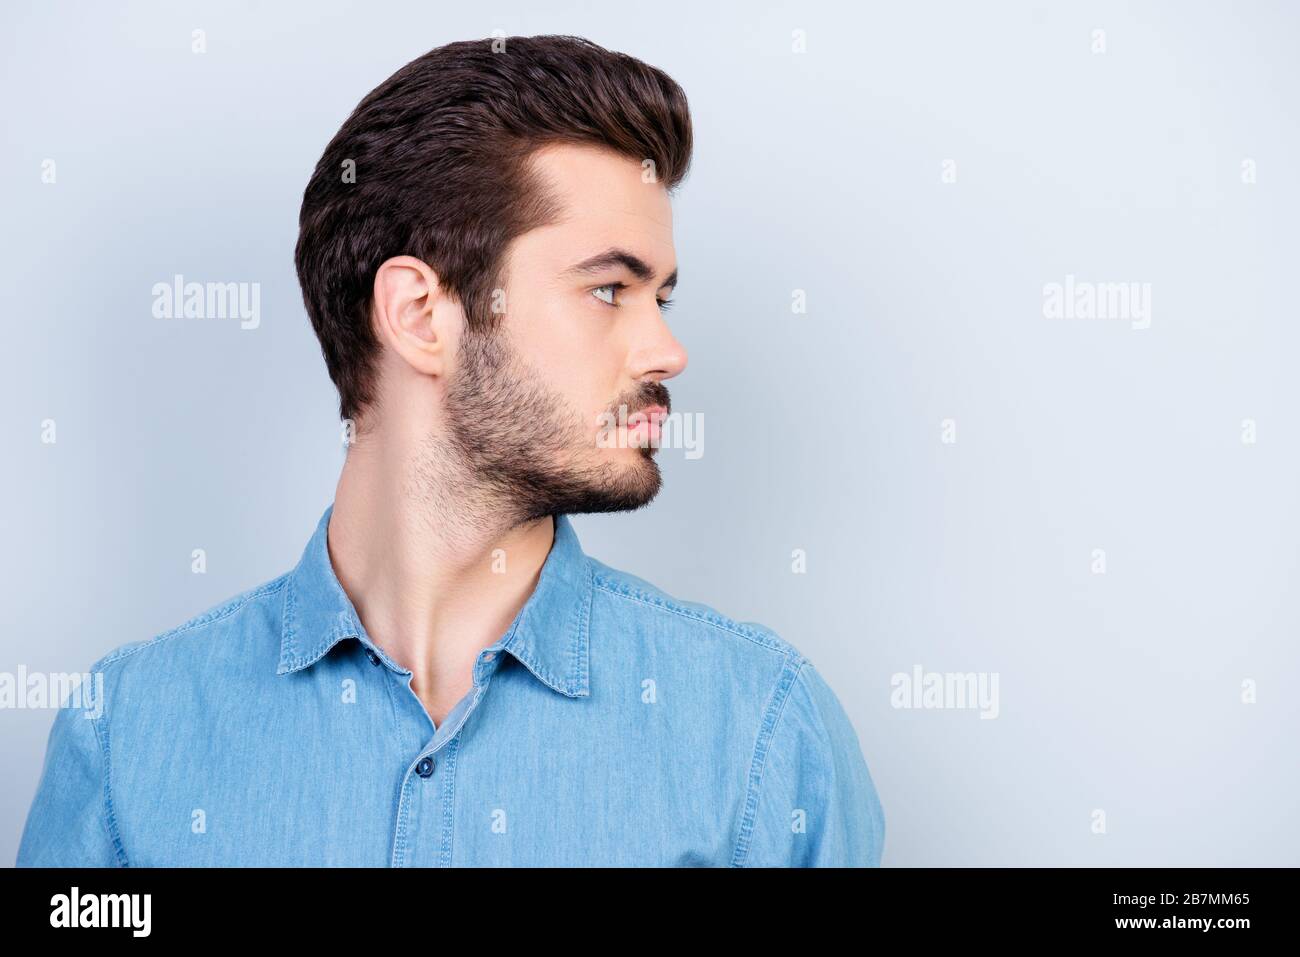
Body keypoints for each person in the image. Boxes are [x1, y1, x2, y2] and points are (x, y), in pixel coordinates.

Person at [17, 34, 884, 867]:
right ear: (420, 315)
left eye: (662, 296)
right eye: (610, 290)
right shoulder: (129, 733)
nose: (667, 350)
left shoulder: (760, 729)